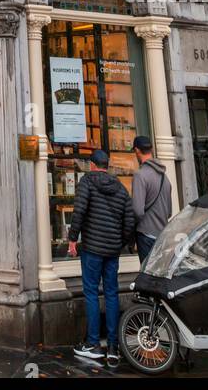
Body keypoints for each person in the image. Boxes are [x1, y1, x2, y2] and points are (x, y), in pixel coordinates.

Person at [67, 148, 135, 367]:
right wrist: (120, 242)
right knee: (112, 293)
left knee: (91, 292)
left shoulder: (87, 182)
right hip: (112, 251)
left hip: (92, 248)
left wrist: (72, 239)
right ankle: (113, 347)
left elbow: (79, 211)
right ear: (107, 165)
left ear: (92, 165)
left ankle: (94, 344)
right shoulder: (120, 188)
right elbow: (129, 220)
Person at [131, 135, 172, 263]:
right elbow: (169, 211)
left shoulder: (140, 175)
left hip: (146, 233)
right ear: (151, 150)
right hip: (162, 234)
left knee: (147, 276)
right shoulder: (165, 177)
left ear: (137, 150)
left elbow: (137, 211)